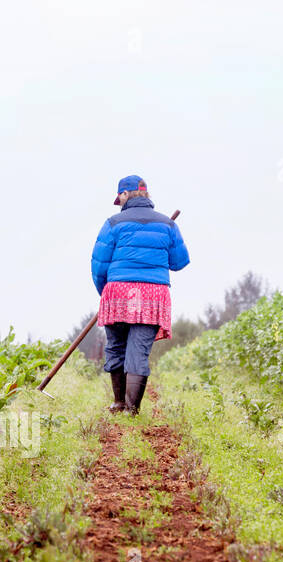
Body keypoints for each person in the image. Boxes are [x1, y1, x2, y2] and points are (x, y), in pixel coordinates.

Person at [90, 175, 190, 414]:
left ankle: (118, 402)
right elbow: (179, 262)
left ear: (125, 195)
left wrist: (105, 293)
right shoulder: (168, 225)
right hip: (153, 295)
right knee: (138, 351)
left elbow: (99, 265)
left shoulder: (113, 223)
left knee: (115, 347)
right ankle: (132, 410)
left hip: (119, 292)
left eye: (119, 197)